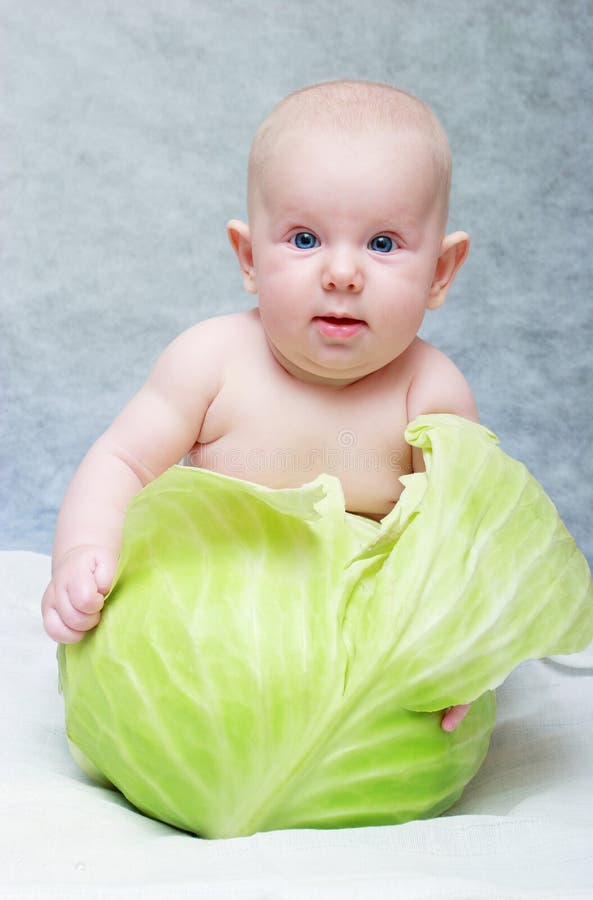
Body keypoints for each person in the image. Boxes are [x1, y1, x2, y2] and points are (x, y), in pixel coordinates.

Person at [42, 80, 476, 731]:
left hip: (356, 677)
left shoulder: (431, 394)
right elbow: (123, 462)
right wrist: (82, 553)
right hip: (200, 652)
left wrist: (462, 640)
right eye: (304, 239)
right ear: (248, 257)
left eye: (383, 243)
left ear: (440, 272)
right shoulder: (211, 361)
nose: (342, 273)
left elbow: (462, 537)